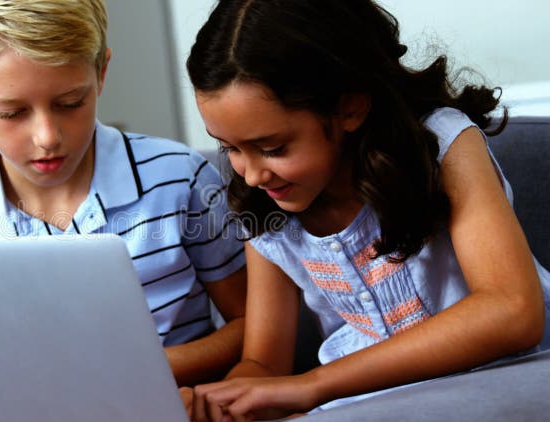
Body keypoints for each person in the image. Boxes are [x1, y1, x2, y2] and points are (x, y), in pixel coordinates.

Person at [184, 0, 550, 419]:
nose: (250, 175)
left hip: (503, 379)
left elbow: (512, 311)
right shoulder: (266, 207)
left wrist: (313, 385)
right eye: (230, 148)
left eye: (273, 149)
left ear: (350, 108)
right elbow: (264, 365)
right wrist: (219, 402)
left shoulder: (442, 146)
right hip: (369, 405)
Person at [0, 0, 248, 388]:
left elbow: (251, 327)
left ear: (101, 72)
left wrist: (132, 376)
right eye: (12, 113)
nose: (47, 137)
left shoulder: (179, 178)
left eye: (70, 104)